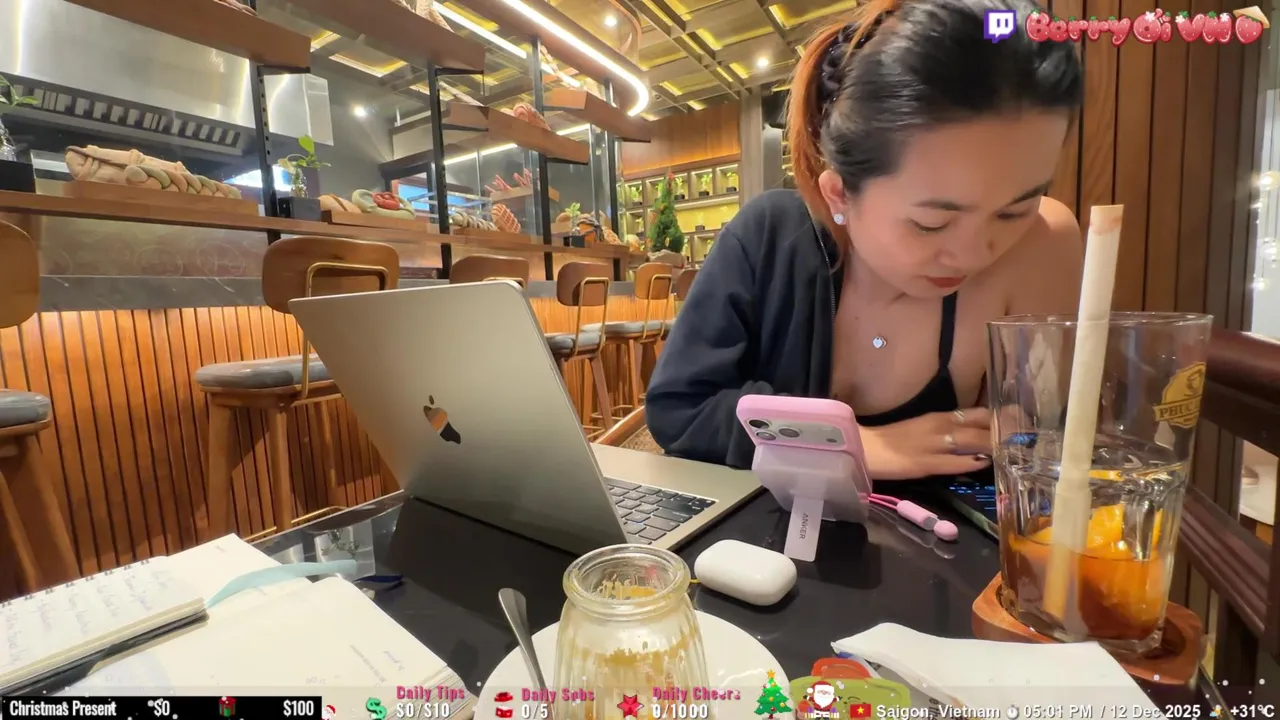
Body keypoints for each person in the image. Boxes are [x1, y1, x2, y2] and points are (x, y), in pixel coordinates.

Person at [645, 0, 1085, 478]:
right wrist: (851, 445)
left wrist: (1036, 436)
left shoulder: (1041, 245)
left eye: (1013, 211)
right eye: (931, 222)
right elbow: (679, 409)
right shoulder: (768, 236)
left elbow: (1039, 455)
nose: (974, 254)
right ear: (840, 194)